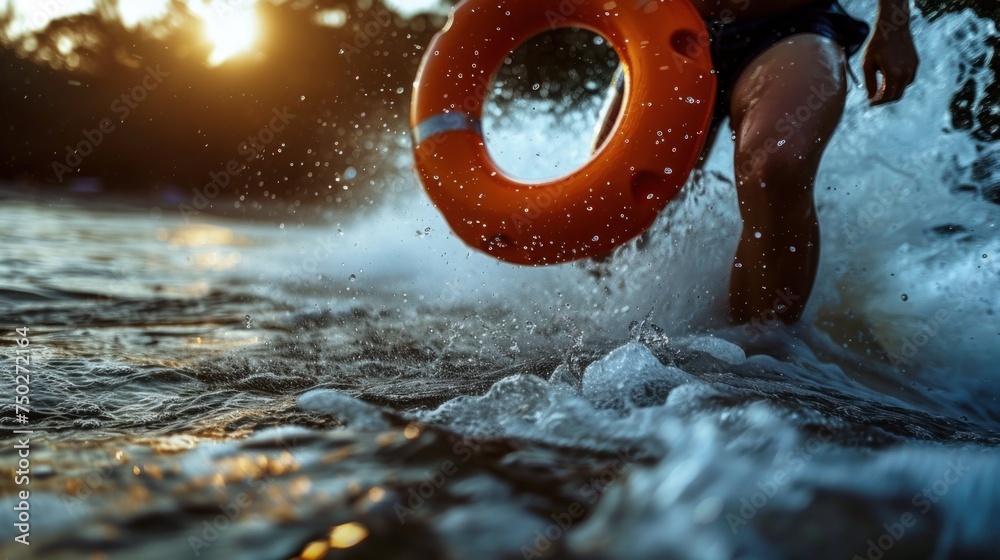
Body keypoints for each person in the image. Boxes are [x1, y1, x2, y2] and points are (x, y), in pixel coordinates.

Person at [595, 0, 919, 325]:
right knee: (611, 205)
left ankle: (762, 351)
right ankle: (609, 327)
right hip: (664, 25)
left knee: (777, 163)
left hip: (790, 24)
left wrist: (895, 21)